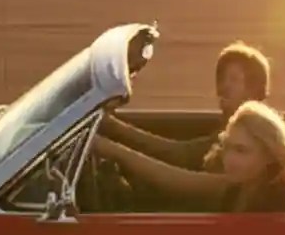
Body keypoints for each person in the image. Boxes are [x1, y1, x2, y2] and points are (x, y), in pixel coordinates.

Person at [93, 100, 285, 213]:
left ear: (271, 155)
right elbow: (175, 180)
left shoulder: (283, 199)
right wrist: (110, 148)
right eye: (227, 147)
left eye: (241, 150)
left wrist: (111, 147)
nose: (229, 158)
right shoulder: (243, 182)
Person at [99, 41, 271, 172]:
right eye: (222, 79)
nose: (223, 86)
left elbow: (179, 155)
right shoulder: (230, 131)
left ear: (254, 89)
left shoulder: (248, 138)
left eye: (234, 80)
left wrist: (112, 131)